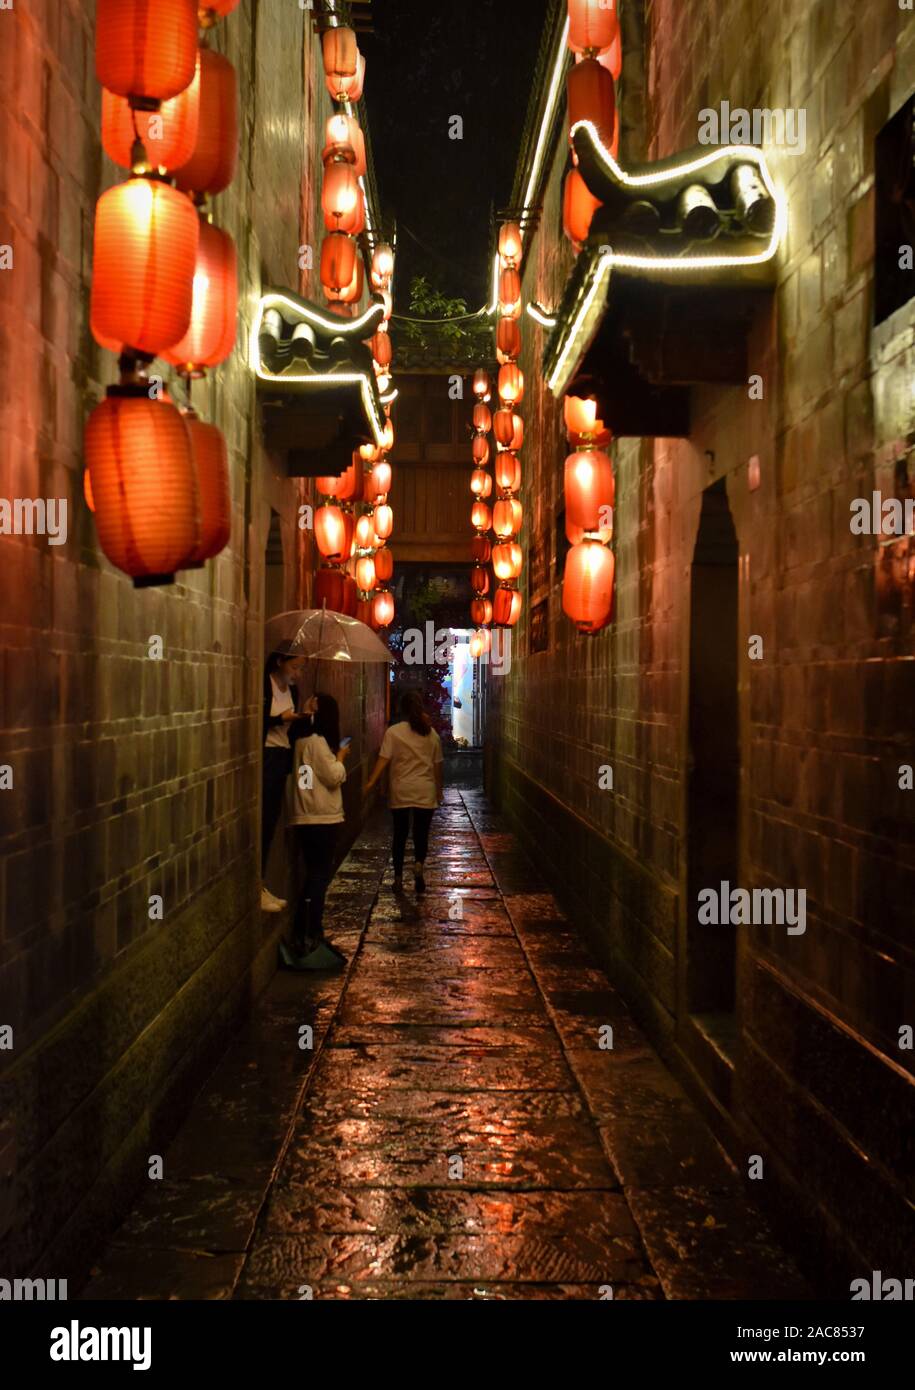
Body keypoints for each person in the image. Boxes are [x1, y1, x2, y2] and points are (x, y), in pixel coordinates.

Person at [284, 693, 350, 969]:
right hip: (322, 816)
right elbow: (333, 777)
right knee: (319, 877)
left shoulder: (298, 741)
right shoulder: (318, 742)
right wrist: (342, 756)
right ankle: (312, 933)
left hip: (303, 815)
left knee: (312, 875)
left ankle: (304, 934)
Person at [365, 690, 443, 893]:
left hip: (401, 790)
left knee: (399, 834)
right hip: (425, 790)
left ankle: (398, 877)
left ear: (401, 709)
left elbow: (384, 760)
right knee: (421, 834)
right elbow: (437, 766)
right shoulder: (430, 733)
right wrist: (439, 791)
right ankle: (418, 865)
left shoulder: (393, 732)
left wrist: (371, 782)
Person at [261, 643, 314, 913]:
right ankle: (257, 885)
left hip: (282, 756)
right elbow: (255, 720)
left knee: (272, 820)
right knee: (264, 819)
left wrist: (306, 714)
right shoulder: (264, 684)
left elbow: (293, 730)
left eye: (301, 669)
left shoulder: (292, 691)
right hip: (265, 756)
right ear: (280, 661)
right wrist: (279, 718)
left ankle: (261, 884)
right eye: (295, 667)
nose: (298, 674)